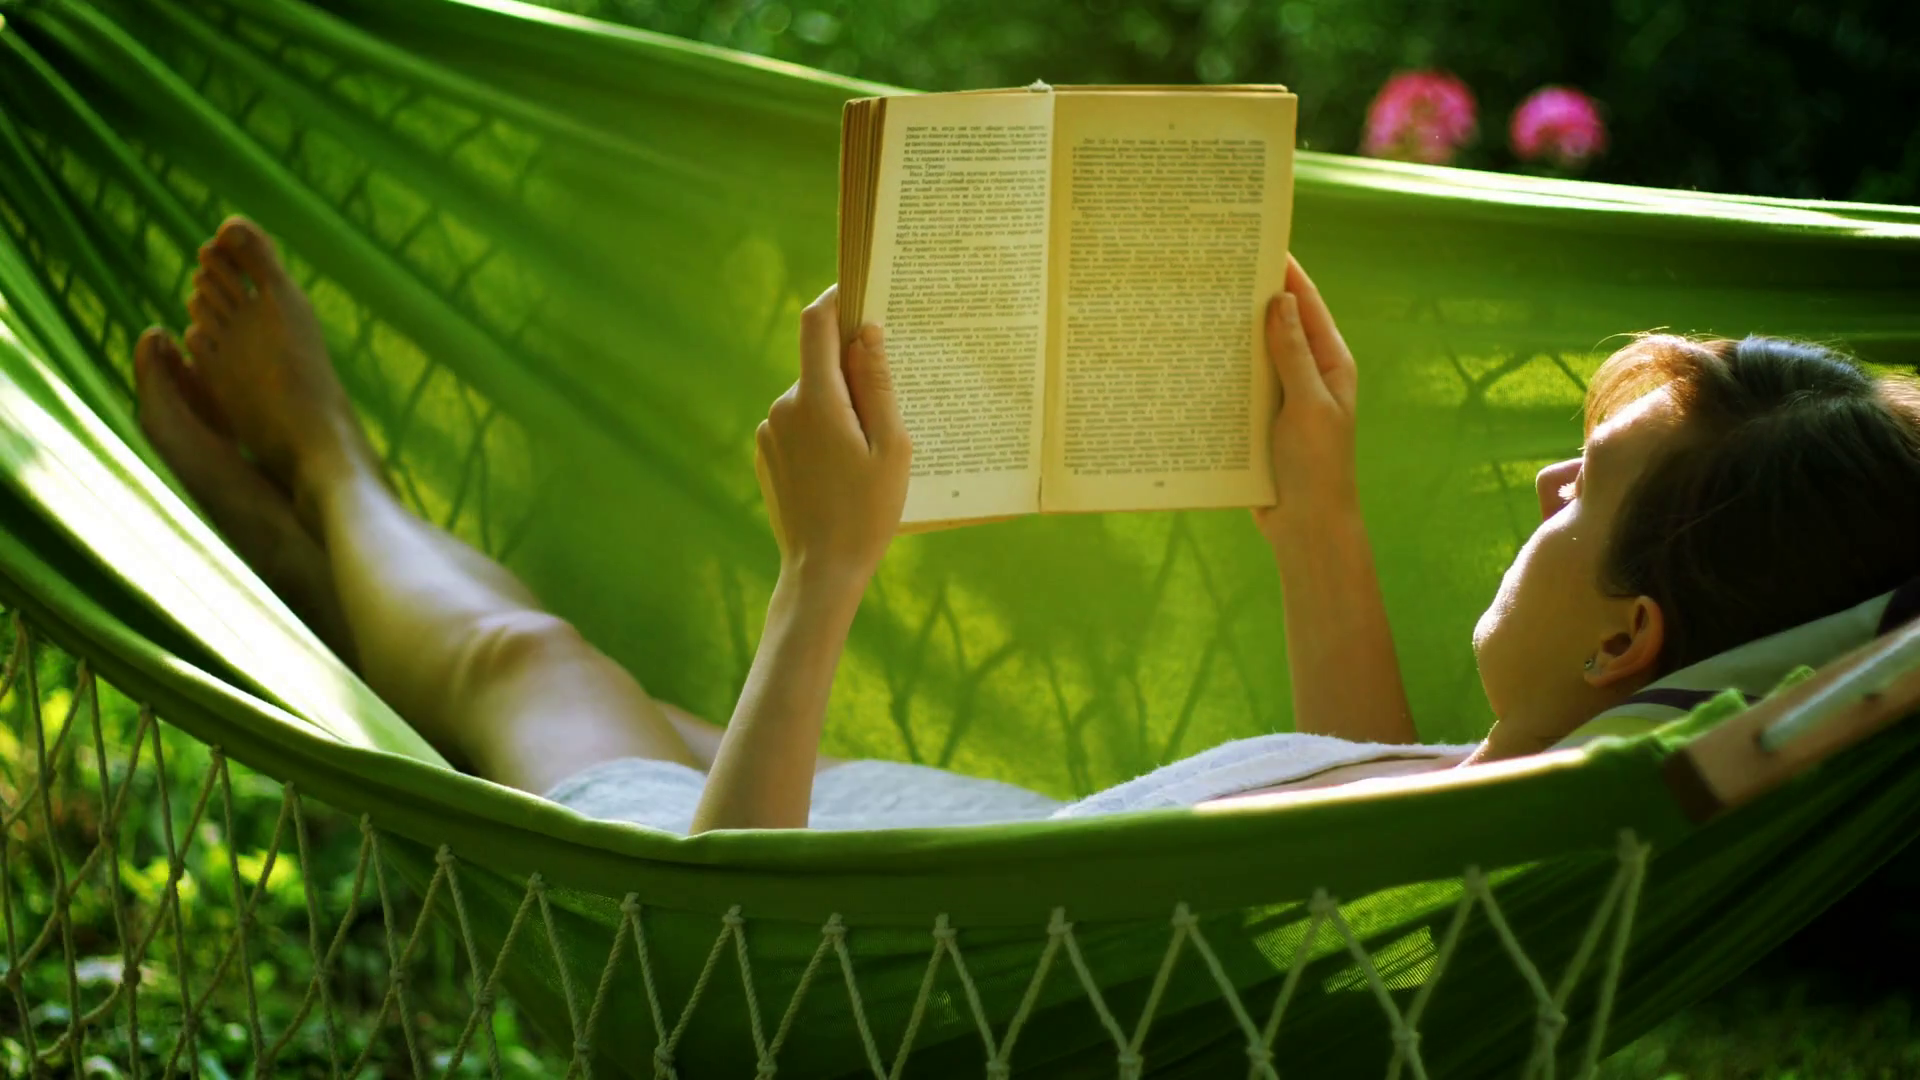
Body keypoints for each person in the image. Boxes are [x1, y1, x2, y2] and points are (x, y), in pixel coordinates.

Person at [137, 217, 1920, 835]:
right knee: (561, 675)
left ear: (1626, 640)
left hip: (757, 893)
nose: (1543, 490)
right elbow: (1369, 829)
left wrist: (827, 567)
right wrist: (1312, 515)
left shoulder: (1537, 812)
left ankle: (331, 473)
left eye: (1581, 492)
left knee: (537, 664)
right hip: (924, 845)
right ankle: (328, 582)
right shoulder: (1521, 806)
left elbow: (724, 974)